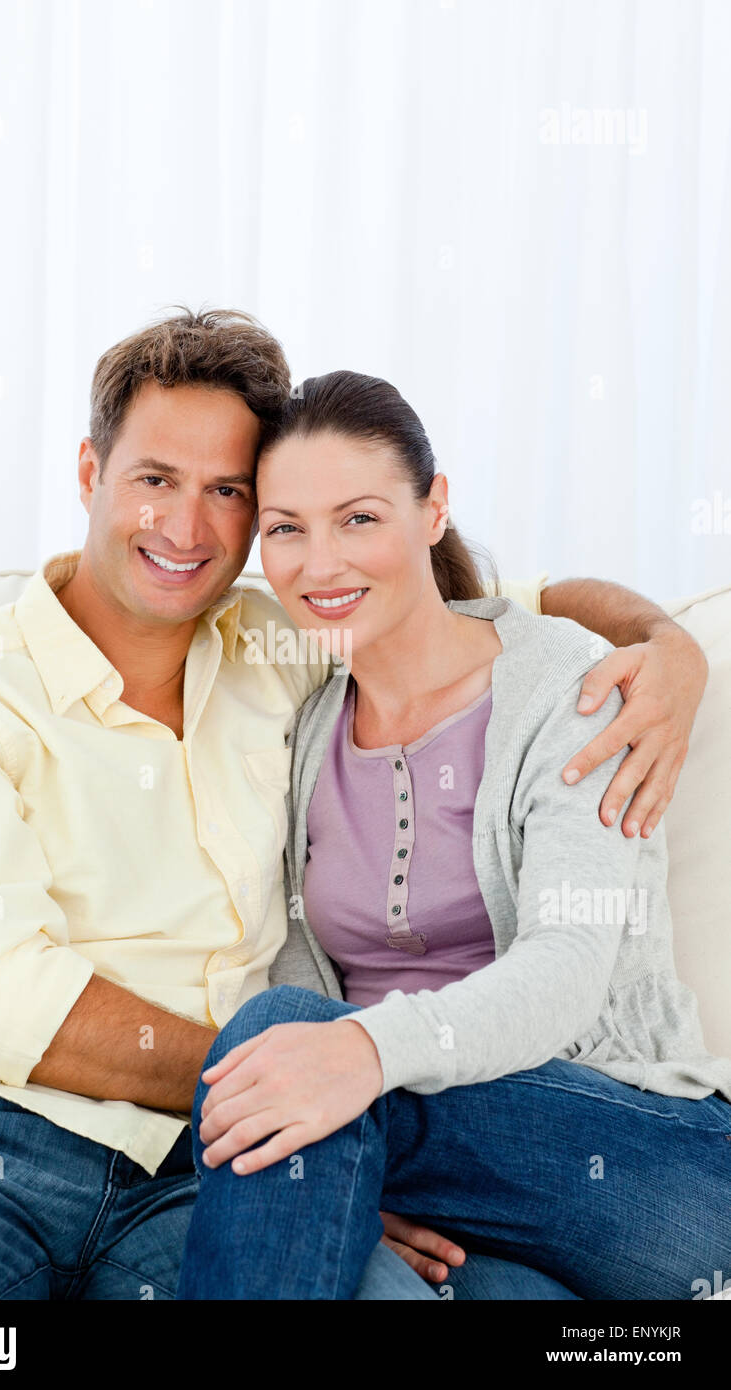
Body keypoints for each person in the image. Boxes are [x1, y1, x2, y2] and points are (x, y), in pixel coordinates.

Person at [0, 312, 710, 1301]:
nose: (184, 528)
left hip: (217, 1155)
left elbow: (492, 603)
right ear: (89, 473)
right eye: (153, 480)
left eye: (225, 492)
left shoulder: (290, 643)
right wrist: (297, 1089)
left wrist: (670, 649)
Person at [175, 369, 731, 1302]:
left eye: (359, 519)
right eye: (285, 530)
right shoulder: (306, 722)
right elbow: (307, 974)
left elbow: (567, 966)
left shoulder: (571, 686)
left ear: (434, 509)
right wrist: (344, 1158)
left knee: (273, 1046)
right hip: (444, 1195)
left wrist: (362, 1066)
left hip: (639, 1160)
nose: (320, 565)